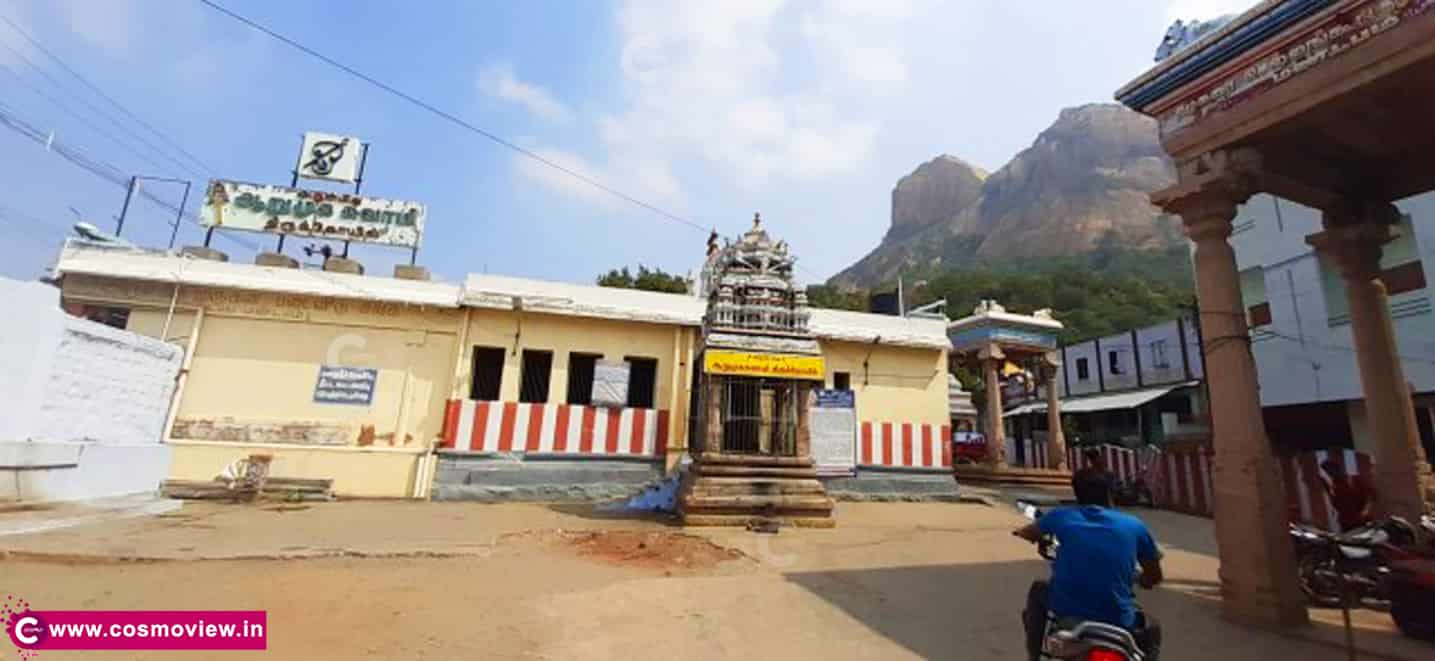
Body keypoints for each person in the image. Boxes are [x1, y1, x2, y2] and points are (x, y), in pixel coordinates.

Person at [1015, 469, 1164, 660]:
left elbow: (1028, 532)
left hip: (1067, 614)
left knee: (1038, 589)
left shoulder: (1061, 517)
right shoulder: (1134, 525)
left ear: (1076, 493)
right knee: (1153, 628)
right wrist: (1144, 580)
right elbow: (1155, 576)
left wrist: (1038, 538)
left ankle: (1033, 656)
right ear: (1110, 494)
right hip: (1120, 619)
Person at [1320, 458, 1374, 532]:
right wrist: (1328, 491)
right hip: (1346, 524)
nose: (1330, 474)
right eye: (1328, 472)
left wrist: (1366, 511)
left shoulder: (1353, 479)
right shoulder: (1334, 486)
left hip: (1362, 522)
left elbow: (1370, 496)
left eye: (1331, 471)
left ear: (1338, 469)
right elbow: (1338, 506)